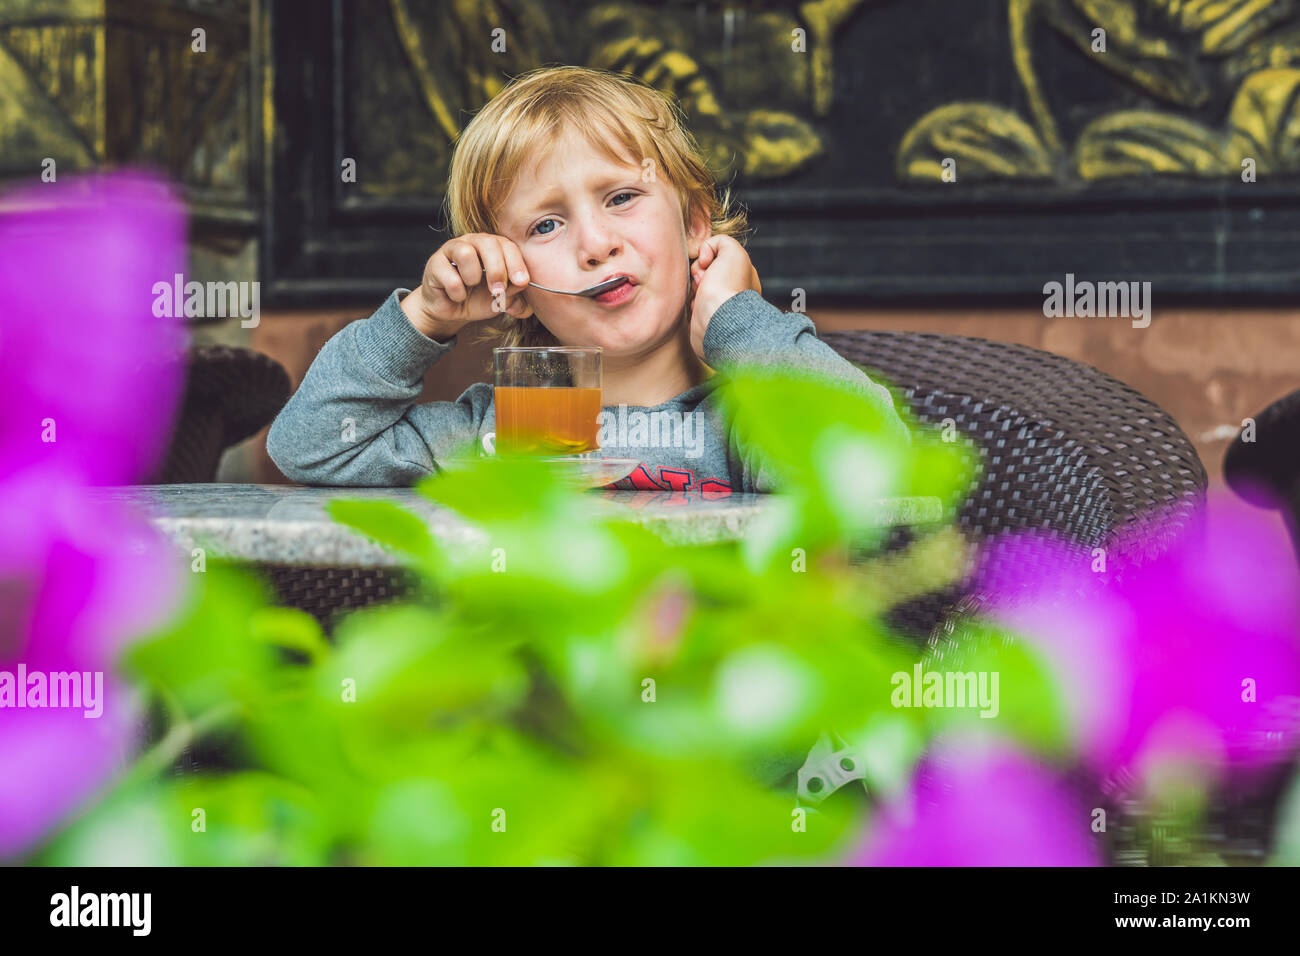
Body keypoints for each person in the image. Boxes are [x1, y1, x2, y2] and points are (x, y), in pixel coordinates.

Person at [266, 66, 904, 494]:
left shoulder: (743, 424)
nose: (595, 244)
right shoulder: (509, 432)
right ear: (510, 285)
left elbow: (868, 465)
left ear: (694, 227)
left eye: (622, 196)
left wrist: (737, 317)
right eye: (545, 226)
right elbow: (310, 447)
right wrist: (424, 319)